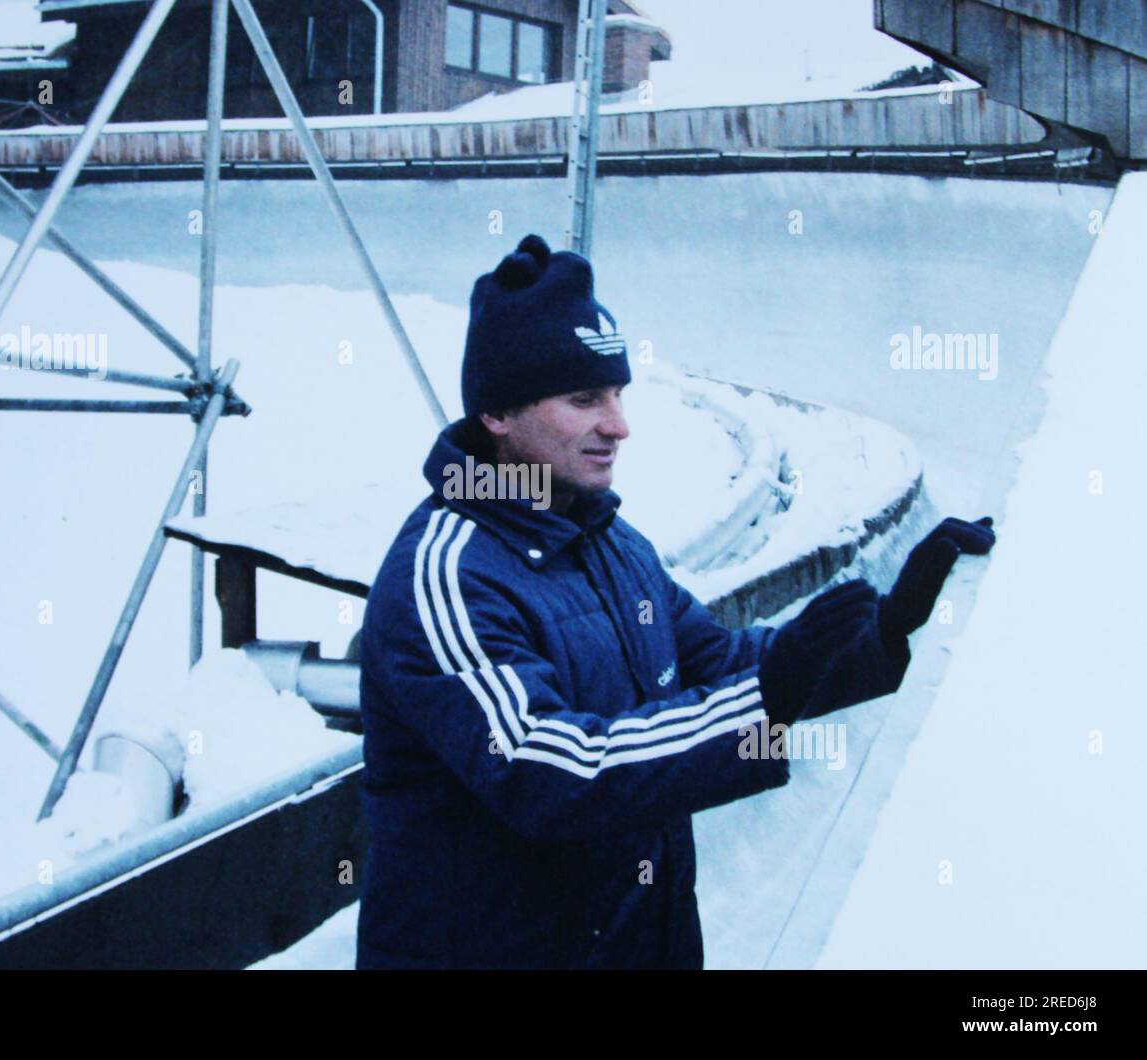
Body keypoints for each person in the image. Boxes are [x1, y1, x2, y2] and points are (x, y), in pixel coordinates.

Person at [354, 233, 996, 970]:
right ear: (498, 413)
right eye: (584, 398)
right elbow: (543, 768)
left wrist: (886, 624)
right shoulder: (446, 574)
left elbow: (719, 663)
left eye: (618, 393)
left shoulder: (610, 541)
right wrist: (768, 698)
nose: (618, 423)